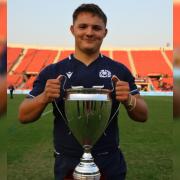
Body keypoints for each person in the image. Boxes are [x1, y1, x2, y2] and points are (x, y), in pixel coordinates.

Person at [18, 3, 148, 180]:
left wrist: (129, 100)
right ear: (72, 30)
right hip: (67, 163)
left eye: (96, 28)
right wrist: (43, 98)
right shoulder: (52, 71)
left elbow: (143, 115)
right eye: (83, 26)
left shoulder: (120, 70)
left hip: (109, 161)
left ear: (105, 32)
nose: (89, 32)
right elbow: (23, 116)